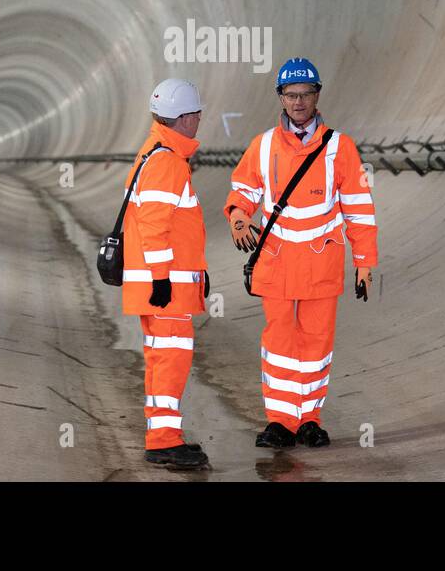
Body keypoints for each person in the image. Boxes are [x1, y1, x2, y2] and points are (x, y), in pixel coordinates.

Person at [223, 57, 377, 448]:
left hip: (320, 262)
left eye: (305, 94)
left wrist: (364, 263)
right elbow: (243, 192)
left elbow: (358, 209)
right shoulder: (263, 147)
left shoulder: (340, 148)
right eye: (290, 95)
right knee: (279, 343)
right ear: (280, 97)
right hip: (276, 263)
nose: (298, 103)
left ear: (317, 95)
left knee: (316, 343)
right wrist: (239, 218)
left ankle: (309, 419)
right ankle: (279, 421)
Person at [122, 78, 210, 468]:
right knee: (172, 359)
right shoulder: (167, 162)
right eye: (197, 115)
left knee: (162, 359)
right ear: (187, 118)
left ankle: (163, 436)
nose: (199, 121)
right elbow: (155, 224)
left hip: (164, 283)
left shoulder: (155, 154)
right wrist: (161, 277)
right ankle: (163, 441)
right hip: (165, 287)